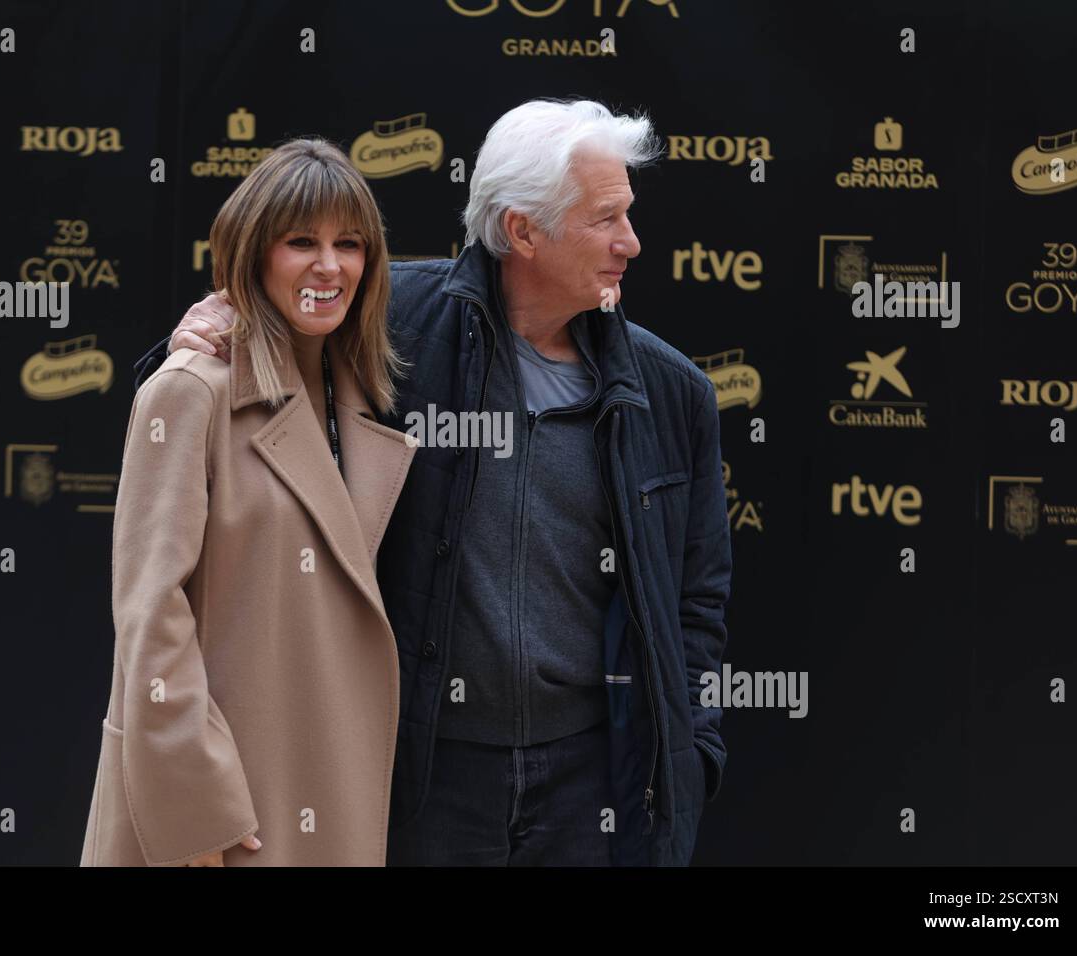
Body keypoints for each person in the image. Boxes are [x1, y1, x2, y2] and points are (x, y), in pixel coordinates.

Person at [137, 99, 732, 866]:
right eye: (605, 219)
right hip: (423, 775)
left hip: (592, 787)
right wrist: (195, 338)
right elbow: (246, 379)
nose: (631, 242)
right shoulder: (391, 327)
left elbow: (697, 599)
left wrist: (693, 755)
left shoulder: (672, 391)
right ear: (522, 230)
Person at [81, 138, 417, 867]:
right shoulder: (189, 389)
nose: (330, 266)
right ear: (252, 255)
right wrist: (198, 805)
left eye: (349, 244)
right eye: (302, 241)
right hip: (221, 814)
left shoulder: (357, 400)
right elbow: (149, 612)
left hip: (321, 789)